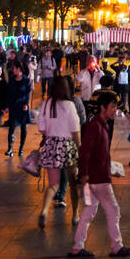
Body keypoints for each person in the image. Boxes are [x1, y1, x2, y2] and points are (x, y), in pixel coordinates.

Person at [69, 91, 130, 259]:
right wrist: (84, 174)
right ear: (103, 107)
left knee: (89, 210)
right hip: (97, 180)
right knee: (113, 210)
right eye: (112, 107)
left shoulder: (102, 126)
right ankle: (116, 246)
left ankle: (78, 246)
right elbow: (85, 153)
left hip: (94, 179)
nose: (115, 110)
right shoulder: (94, 127)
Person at [36, 75, 83, 230]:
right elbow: (75, 129)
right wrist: (80, 146)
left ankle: (44, 210)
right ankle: (75, 215)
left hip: (51, 144)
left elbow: (41, 127)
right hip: (68, 145)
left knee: (53, 184)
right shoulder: (69, 105)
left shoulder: (46, 104)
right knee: (73, 182)